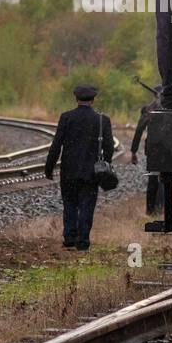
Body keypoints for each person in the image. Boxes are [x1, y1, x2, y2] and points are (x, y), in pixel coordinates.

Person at [44, 84, 114, 251]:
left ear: (76, 99)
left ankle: (69, 237)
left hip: (68, 170)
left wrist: (49, 167)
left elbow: (56, 145)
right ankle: (82, 241)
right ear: (93, 100)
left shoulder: (66, 117)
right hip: (91, 172)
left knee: (69, 203)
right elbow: (109, 146)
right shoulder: (102, 120)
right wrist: (106, 164)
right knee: (87, 205)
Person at [129, 95, 164, 216]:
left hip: (153, 149)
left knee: (153, 178)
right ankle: (160, 208)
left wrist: (134, 151)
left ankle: (150, 210)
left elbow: (139, 130)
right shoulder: (170, 107)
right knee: (164, 178)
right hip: (168, 148)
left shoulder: (149, 109)